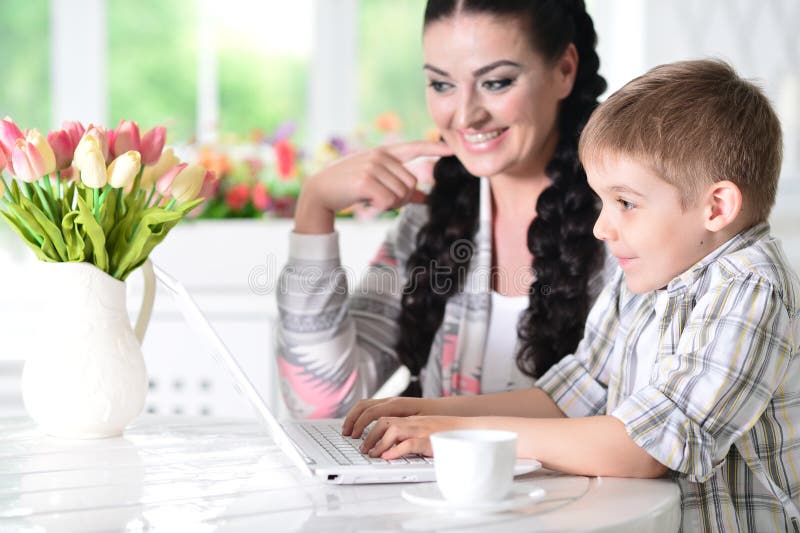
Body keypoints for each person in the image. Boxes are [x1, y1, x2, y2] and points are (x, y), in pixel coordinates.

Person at [341, 59, 800, 531]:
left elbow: (645, 450)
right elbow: (569, 394)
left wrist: (454, 433)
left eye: (625, 202)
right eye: (602, 201)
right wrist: (429, 412)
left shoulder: (749, 286)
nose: (601, 227)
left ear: (717, 206)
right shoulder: (648, 277)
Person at [276, 0, 608, 419]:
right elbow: (320, 404)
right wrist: (315, 208)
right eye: (442, 85)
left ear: (564, 70)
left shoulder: (629, 221)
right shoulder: (430, 222)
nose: (465, 115)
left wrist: (434, 418)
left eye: (497, 82)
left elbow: (639, 430)